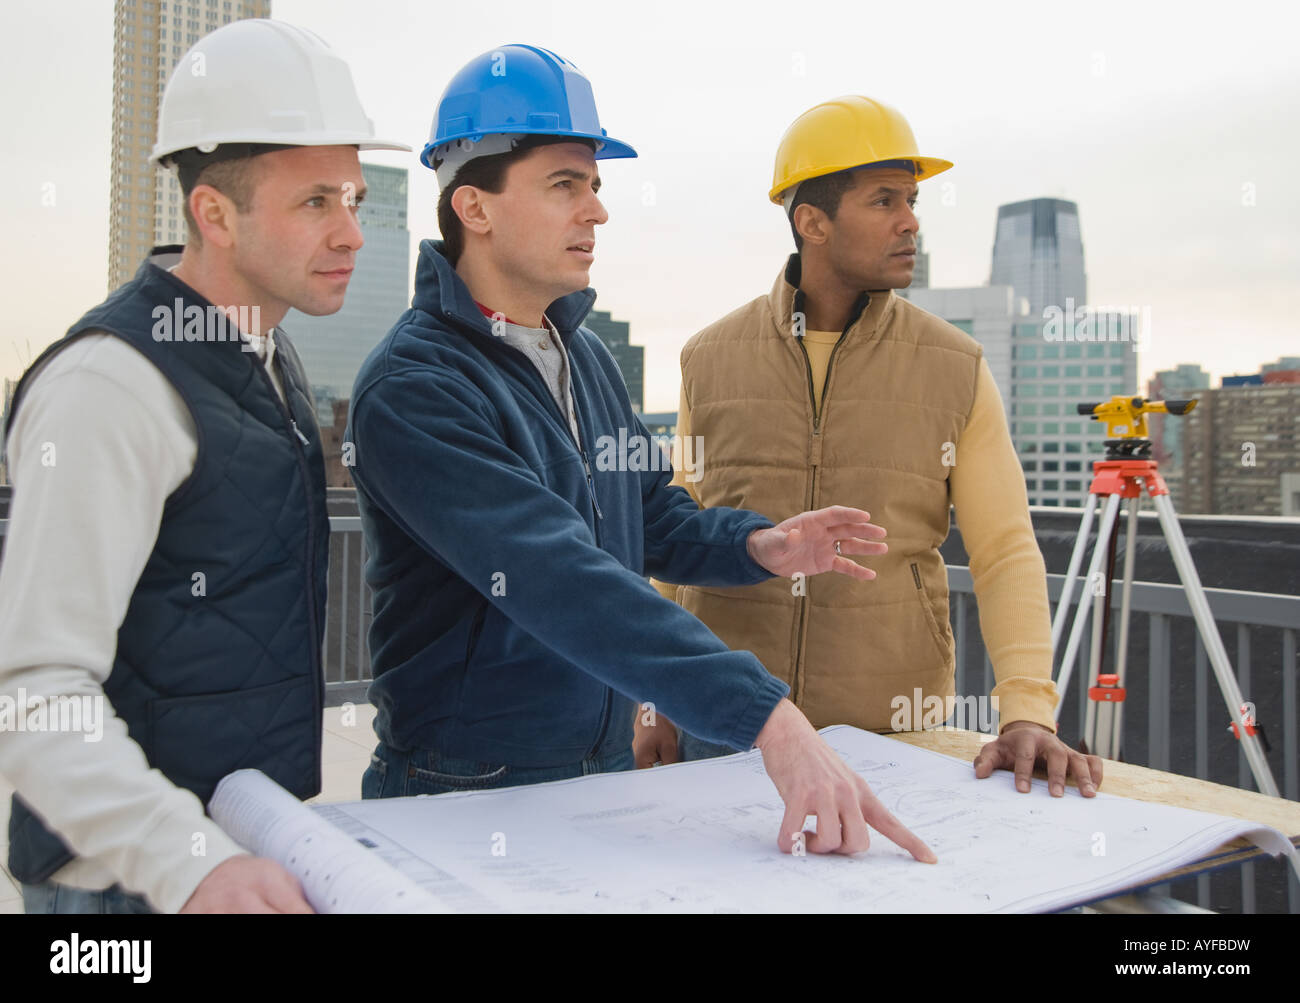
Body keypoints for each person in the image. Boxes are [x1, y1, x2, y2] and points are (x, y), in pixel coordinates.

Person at [347, 46, 936, 862]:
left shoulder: (581, 354)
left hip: (602, 770)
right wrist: (767, 715)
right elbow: (557, 574)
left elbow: (648, 512)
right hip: (464, 786)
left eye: (595, 186)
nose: (596, 211)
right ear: (474, 208)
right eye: (565, 184)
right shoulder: (416, 387)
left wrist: (756, 544)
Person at [0, 19, 409, 914]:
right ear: (213, 213)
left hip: (243, 854)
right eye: (315, 204)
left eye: (352, 198)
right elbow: (33, 693)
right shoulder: (111, 384)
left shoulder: (267, 358)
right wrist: (188, 862)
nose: (353, 233)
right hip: (130, 890)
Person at [641, 96, 1104, 799]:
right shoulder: (709, 358)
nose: (911, 220)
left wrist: (1028, 712)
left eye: (912, 199)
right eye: (884, 200)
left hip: (894, 736)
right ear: (812, 222)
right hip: (730, 728)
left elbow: (1005, 547)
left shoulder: (955, 366)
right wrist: (657, 696)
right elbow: (680, 535)